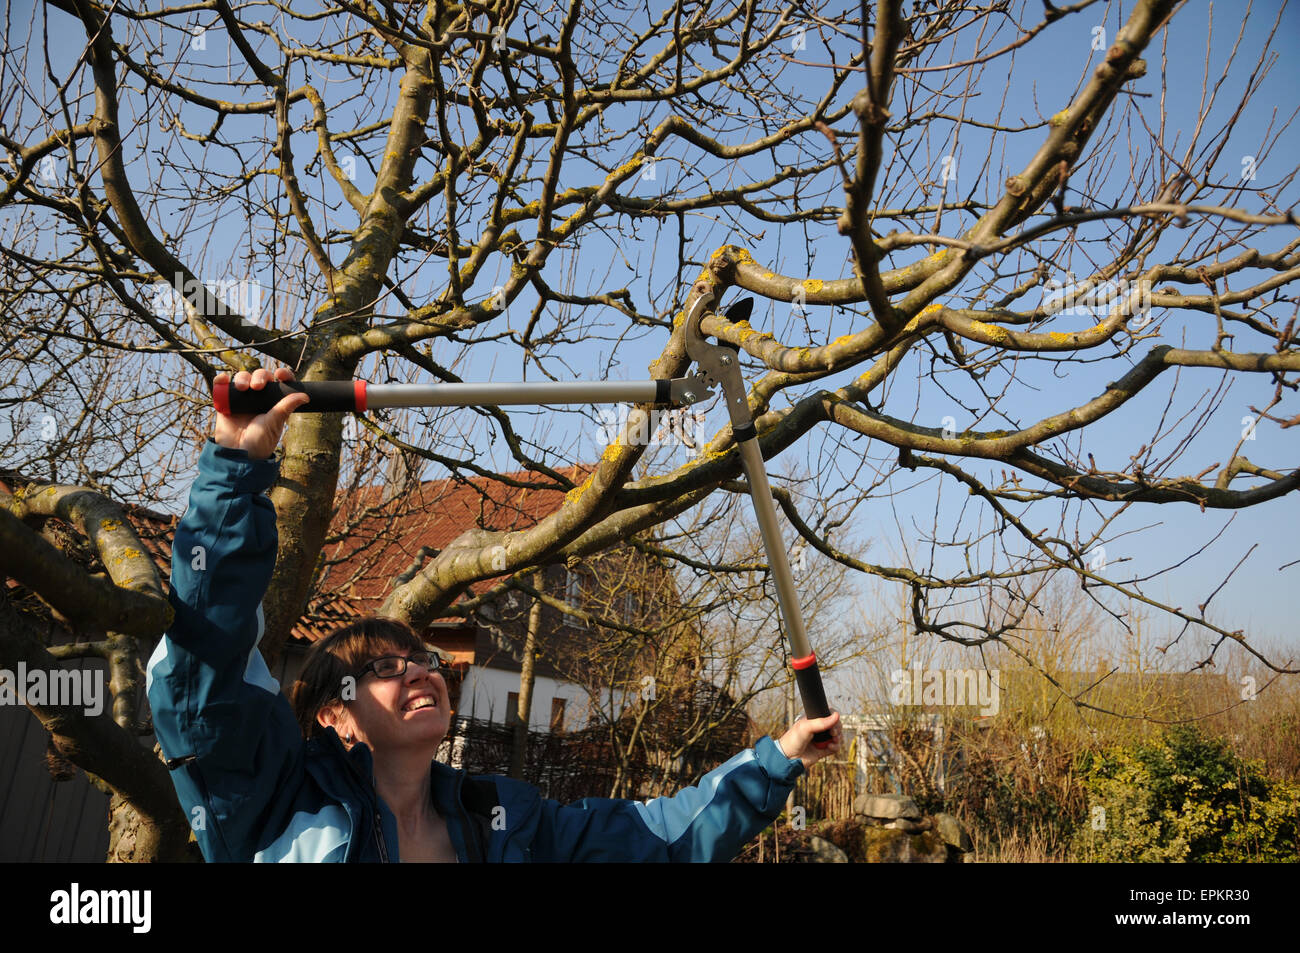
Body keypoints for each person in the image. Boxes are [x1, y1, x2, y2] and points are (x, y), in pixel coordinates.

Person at [147, 366, 841, 862]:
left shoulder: (504, 819)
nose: (420, 671)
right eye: (384, 668)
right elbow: (203, 666)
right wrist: (234, 467)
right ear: (335, 712)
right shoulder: (271, 798)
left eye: (421, 657)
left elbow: (657, 838)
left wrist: (778, 758)